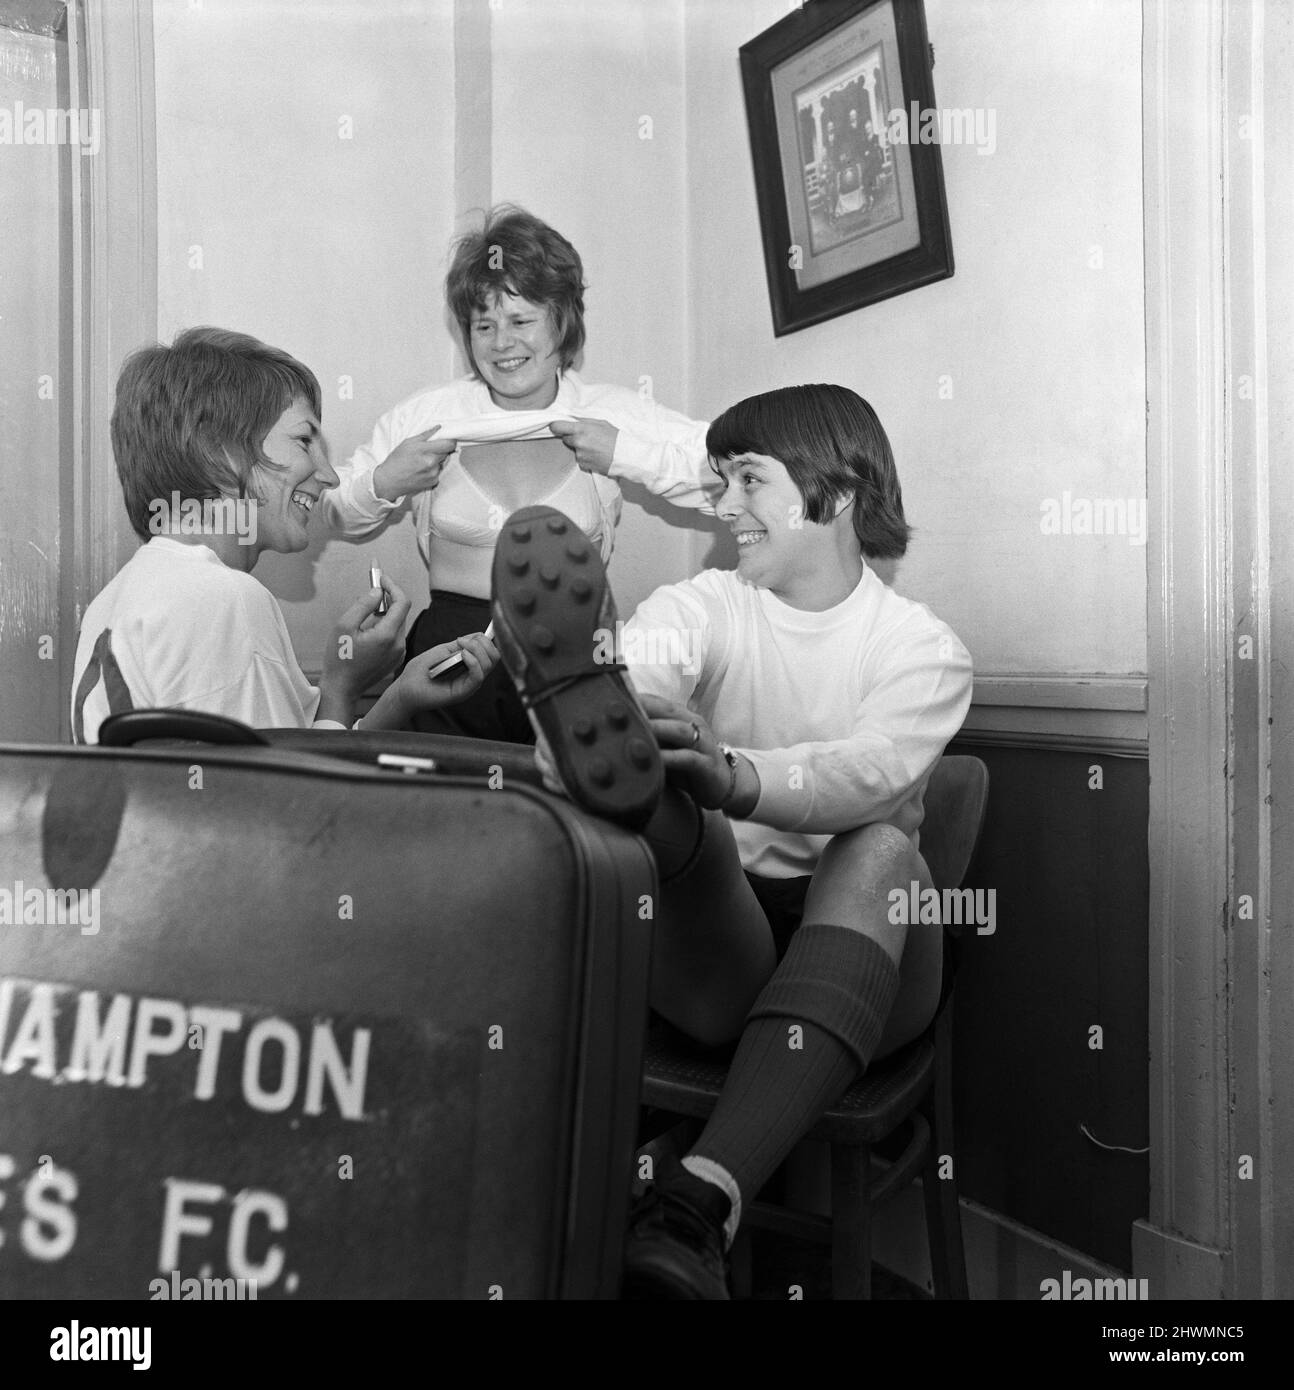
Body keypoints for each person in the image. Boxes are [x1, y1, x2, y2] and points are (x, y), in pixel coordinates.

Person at [487, 384, 973, 1298]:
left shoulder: (924, 649)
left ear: (834, 490)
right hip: (730, 943)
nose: (722, 505)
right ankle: (695, 1203)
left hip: (876, 958)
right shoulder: (707, 601)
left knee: (874, 849)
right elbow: (661, 655)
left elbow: (870, 771)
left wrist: (735, 773)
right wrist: (627, 703)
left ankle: (697, 1183)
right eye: (718, 482)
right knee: (672, 805)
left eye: (746, 479)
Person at [323, 204, 713, 744]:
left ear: (564, 321)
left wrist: (626, 453)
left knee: (567, 821)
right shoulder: (428, 414)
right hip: (448, 661)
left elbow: (731, 480)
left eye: (521, 320)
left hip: (574, 663)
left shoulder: (610, 411)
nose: (501, 343)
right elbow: (329, 509)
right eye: (484, 324)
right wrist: (385, 481)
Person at [71, 328, 497, 744]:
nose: (328, 476)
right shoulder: (219, 596)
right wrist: (341, 689)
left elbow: (273, 772)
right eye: (303, 441)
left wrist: (394, 696)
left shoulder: (115, 599)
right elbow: (278, 802)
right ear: (220, 451)